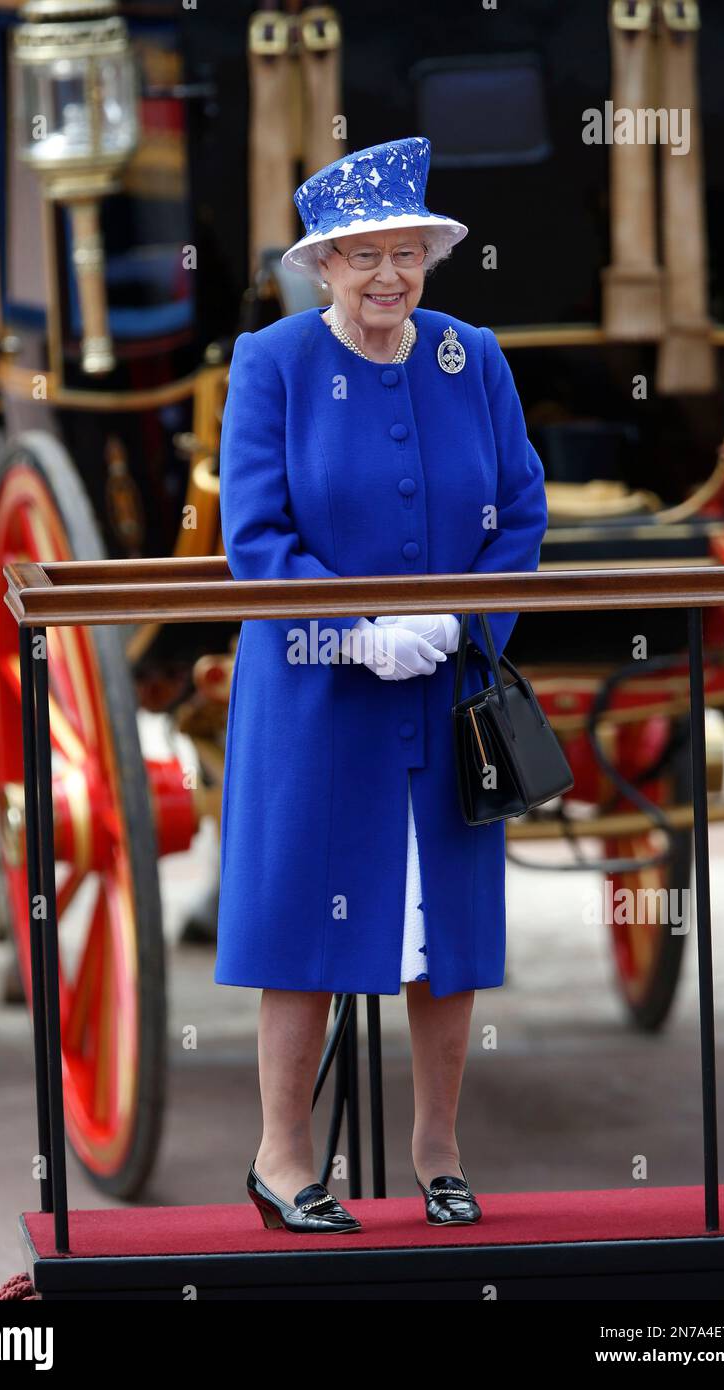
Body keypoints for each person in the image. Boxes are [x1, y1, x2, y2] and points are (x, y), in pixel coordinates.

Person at [216, 136, 548, 1233]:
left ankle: (438, 1151)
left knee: (439, 927)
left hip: (443, 696)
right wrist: (355, 629)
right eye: (362, 257)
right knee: (308, 921)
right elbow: (254, 537)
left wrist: (458, 619)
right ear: (320, 267)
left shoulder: (473, 357)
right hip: (317, 694)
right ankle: (281, 1157)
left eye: (404, 252)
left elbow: (520, 514)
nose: (387, 276)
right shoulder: (271, 364)